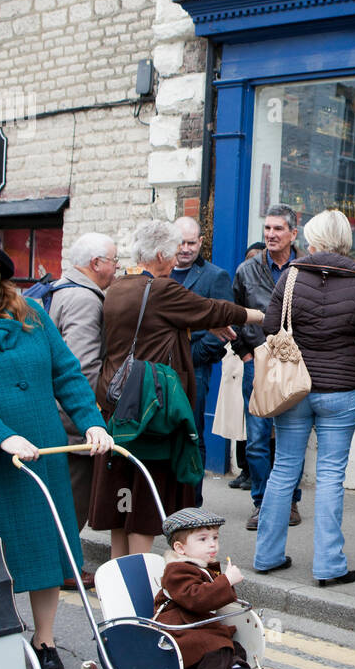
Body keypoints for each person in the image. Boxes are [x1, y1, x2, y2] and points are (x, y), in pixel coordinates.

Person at [89, 221, 262, 559]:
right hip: (150, 408)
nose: (175, 258)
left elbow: (171, 321)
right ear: (160, 254)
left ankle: (119, 574)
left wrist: (203, 321)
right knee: (144, 496)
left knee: (122, 493)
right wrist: (261, 315)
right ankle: (139, 580)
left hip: (117, 401)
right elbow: (213, 308)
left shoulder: (119, 288)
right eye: (171, 251)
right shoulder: (160, 290)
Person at [0, 229, 112, 669]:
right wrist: (1, 435)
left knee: (46, 551)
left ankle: (43, 639)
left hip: (43, 450)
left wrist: (92, 422)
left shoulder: (33, 315)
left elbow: (67, 374)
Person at [255, 209, 355, 583]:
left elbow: (268, 326)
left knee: (284, 470)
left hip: (294, 386)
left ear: (313, 239)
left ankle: (266, 555)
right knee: (330, 475)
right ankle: (328, 566)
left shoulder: (292, 275)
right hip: (343, 389)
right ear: (345, 240)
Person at [154, 508, 277, 669]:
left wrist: (223, 580)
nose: (212, 544)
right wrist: (225, 581)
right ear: (180, 548)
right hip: (177, 635)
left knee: (231, 643)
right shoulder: (177, 571)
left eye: (215, 538)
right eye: (203, 539)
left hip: (196, 628)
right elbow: (196, 598)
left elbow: (217, 600)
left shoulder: (203, 568)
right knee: (216, 646)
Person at [48, 232, 118, 587]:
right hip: (73, 419)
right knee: (73, 496)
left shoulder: (63, 291)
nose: (116, 268)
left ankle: (59, 563)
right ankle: (63, 568)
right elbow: (81, 366)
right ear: (96, 264)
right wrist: (90, 418)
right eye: (114, 262)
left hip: (60, 414)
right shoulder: (84, 300)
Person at [232, 207, 301, 529]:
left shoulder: (305, 269)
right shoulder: (246, 270)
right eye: (267, 228)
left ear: (293, 234)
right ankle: (262, 503)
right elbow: (234, 315)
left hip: (293, 364)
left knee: (291, 436)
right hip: (256, 363)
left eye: (278, 228)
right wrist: (245, 354)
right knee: (258, 440)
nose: (271, 234)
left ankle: (289, 502)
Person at [170, 216, 235, 505]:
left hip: (194, 369)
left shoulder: (214, 276)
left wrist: (192, 356)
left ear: (200, 243)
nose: (185, 248)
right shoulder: (159, 274)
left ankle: (191, 505)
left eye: (191, 242)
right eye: (180, 242)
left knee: (191, 435)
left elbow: (226, 325)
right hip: (157, 369)